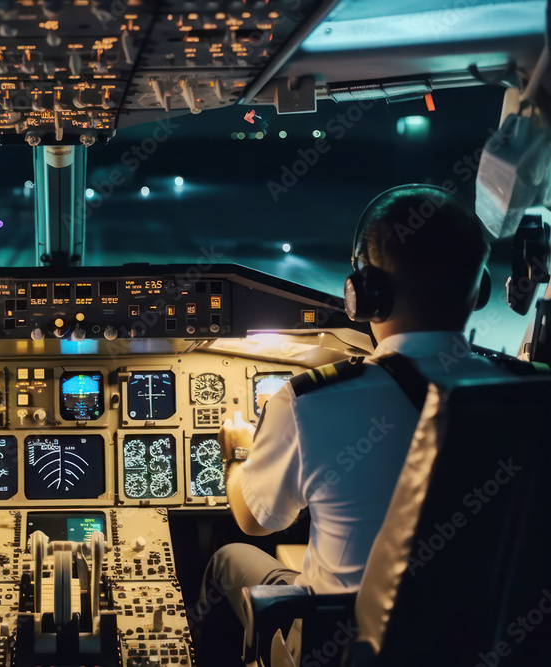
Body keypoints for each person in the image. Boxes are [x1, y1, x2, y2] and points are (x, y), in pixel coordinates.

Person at [193, 184, 508, 664]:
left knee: (225, 558)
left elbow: (254, 521)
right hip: (488, 642)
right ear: (480, 288)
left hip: (341, 648)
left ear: (364, 294)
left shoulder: (311, 402)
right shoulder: (528, 394)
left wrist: (238, 453)